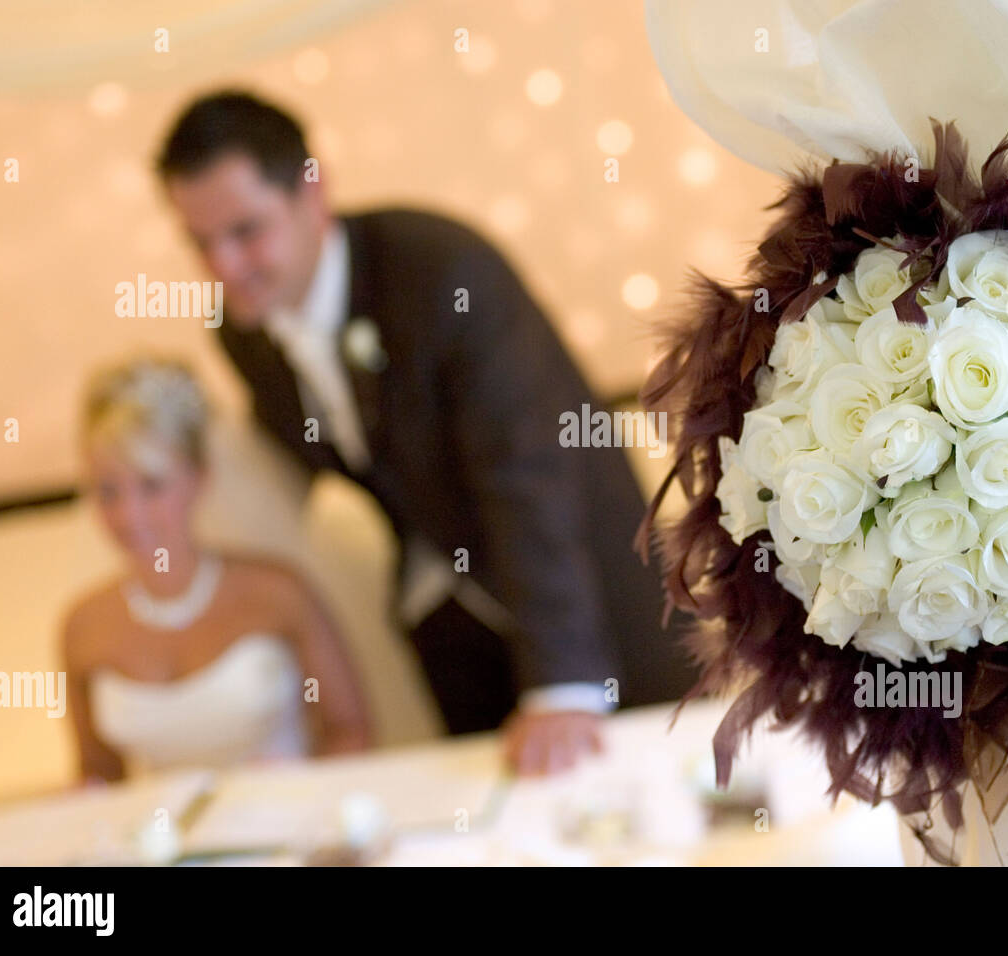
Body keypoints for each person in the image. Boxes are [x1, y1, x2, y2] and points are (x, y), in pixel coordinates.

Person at [155, 90, 696, 775]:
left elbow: (526, 473)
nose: (223, 268)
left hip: (590, 614)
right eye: (200, 242)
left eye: (246, 232)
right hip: (454, 637)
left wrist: (562, 686)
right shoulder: (241, 332)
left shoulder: (441, 270)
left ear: (312, 191)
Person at [61, 358, 371, 782]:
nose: (128, 515)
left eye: (151, 485)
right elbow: (97, 773)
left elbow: (350, 731)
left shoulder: (278, 593)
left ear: (198, 478)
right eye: (108, 491)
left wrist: (297, 791)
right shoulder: (83, 628)